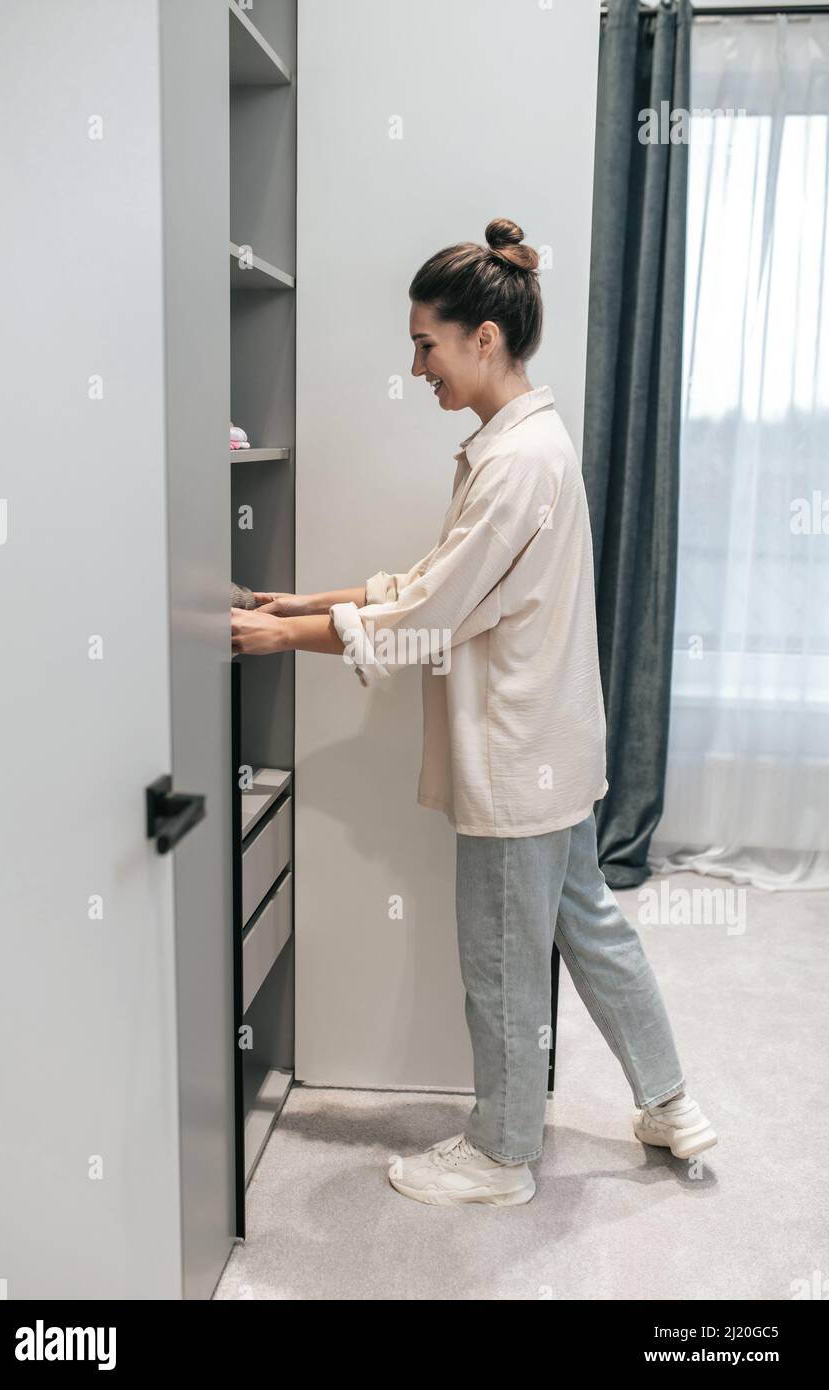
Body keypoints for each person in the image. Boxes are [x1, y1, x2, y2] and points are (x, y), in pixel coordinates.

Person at [230, 217, 717, 1207]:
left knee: (501, 963)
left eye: (426, 343)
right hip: (559, 751)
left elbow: (426, 617)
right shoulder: (527, 440)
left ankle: (501, 1153)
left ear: (482, 337)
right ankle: (669, 1100)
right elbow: (436, 581)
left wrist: (285, 638)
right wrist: (312, 602)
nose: (417, 366)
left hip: (516, 755)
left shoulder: (514, 463)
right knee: (590, 924)